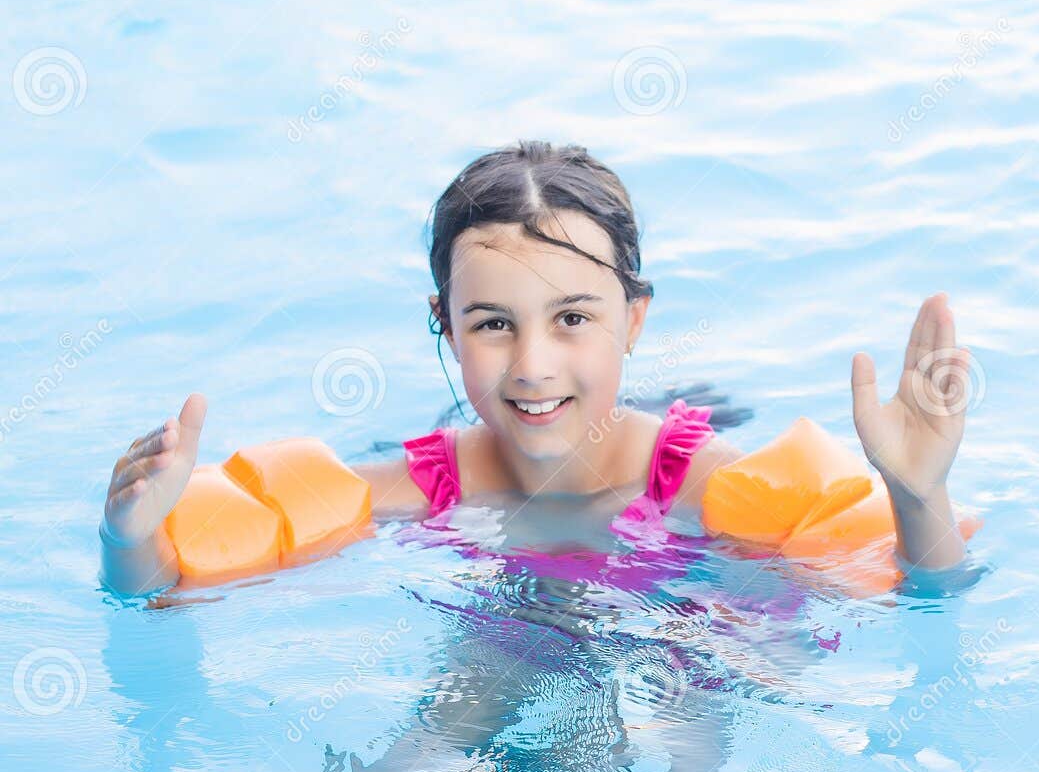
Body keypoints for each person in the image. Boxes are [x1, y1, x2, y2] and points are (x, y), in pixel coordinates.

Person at [99, 140, 976, 598]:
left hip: (662, 601)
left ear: (634, 320)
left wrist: (916, 494)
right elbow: (169, 595)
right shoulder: (418, 485)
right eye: (492, 324)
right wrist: (132, 541)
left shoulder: (706, 484)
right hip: (514, 607)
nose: (532, 365)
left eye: (573, 319)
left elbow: (918, 589)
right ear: (446, 329)